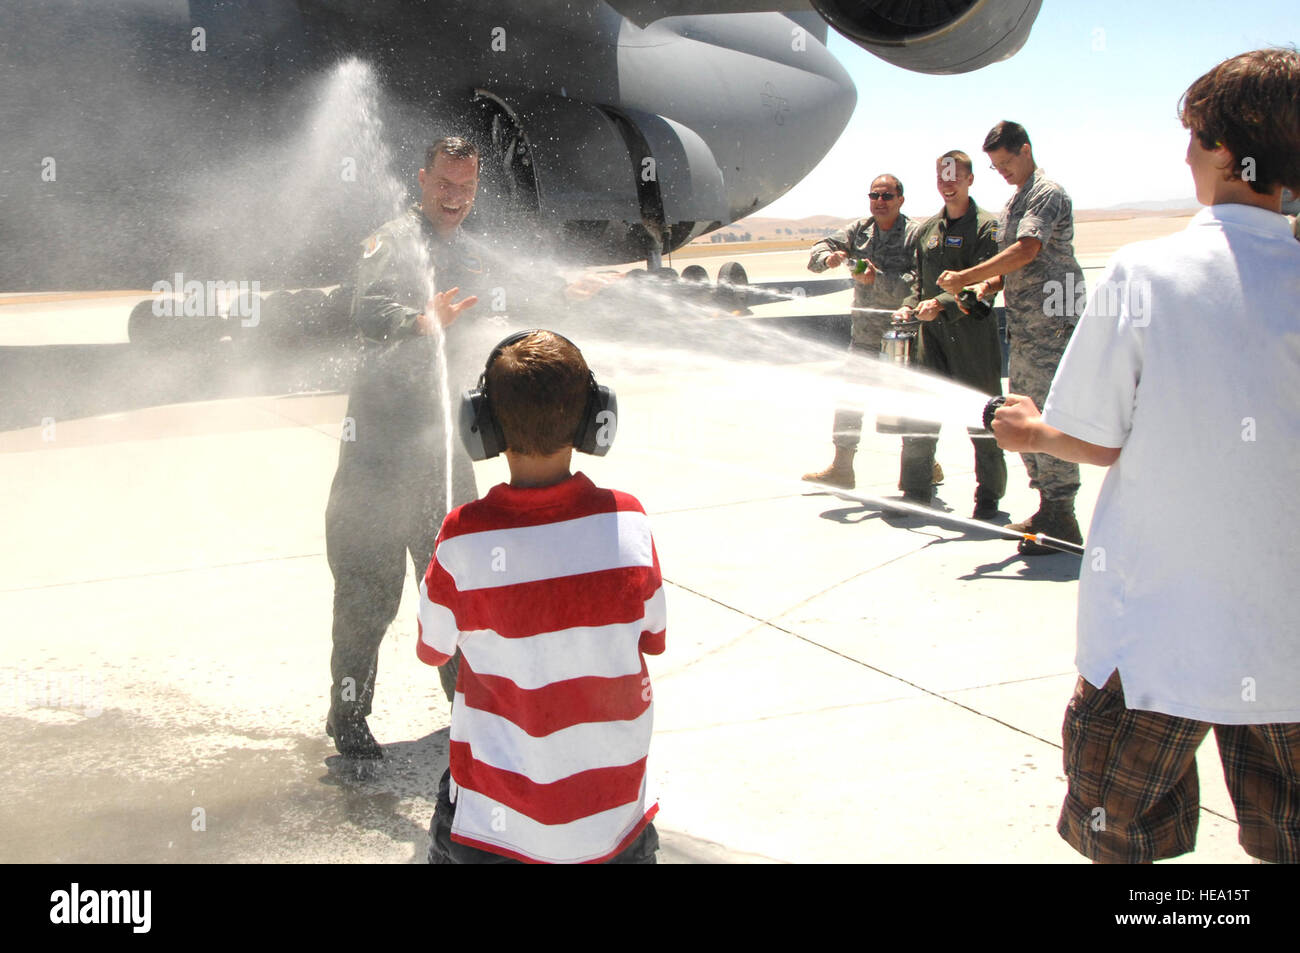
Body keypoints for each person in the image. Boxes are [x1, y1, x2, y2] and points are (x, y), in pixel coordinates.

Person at [990, 48, 1300, 863]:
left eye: (1196, 136)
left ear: (1232, 153)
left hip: (1157, 642)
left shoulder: (1146, 273)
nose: (1186, 153)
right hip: (1288, 646)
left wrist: (1025, 430)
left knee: (1127, 844)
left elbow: (1094, 435)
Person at [419, 329, 664, 863]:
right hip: (615, 822)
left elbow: (432, 648)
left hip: (494, 829)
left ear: (481, 426)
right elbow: (652, 636)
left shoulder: (463, 534)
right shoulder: (629, 520)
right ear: (593, 419)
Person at [325, 137, 493, 760]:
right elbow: (366, 311)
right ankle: (348, 718)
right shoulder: (392, 239)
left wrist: (568, 290)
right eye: (445, 186)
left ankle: (468, 711)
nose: (455, 199)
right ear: (422, 180)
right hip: (379, 446)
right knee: (368, 591)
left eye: (467, 189)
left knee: (455, 584)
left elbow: (509, 303)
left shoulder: (471, 254)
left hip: (442, 449)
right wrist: (419, 322)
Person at [937, 122, 1086, 554]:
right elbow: (1012, 263)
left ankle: (1062, 515)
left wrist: (967, 275)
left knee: (1047, 415)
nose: (1000, 170)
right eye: (994, 166)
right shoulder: (1015, 200)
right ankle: (1048, 504)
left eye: (1005, 162)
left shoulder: (1046, 192)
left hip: (1052, 325)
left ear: (1025, 150)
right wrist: (988, 286)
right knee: (1021, 414)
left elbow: (1027, 250)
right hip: (1026, 327)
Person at [891, 150, 1006, 516]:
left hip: (972, 336)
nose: (948, 184)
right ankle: (916, 492)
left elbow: (990, 283)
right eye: (942, 178)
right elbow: (919, 283)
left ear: (970, 179)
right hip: (931, 339)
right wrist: (910, 304)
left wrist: (943, 303)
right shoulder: (927, 232)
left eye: (955, 177)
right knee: (919, 415)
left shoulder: (988, 228)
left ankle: (988, 496)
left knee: (983, 418)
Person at [802, 174, 924, 490]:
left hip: (903, 339)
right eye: (874, 196)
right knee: (850, 399)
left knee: (907, 406)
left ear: (900, 199)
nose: (879, 202)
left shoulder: (914, 234)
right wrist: (828, 258)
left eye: (886, 196)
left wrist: (878, 280)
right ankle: (842, 468)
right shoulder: (859, 231)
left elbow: (919, 281)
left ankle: (926, 466)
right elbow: (817, 251)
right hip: (865, 336)